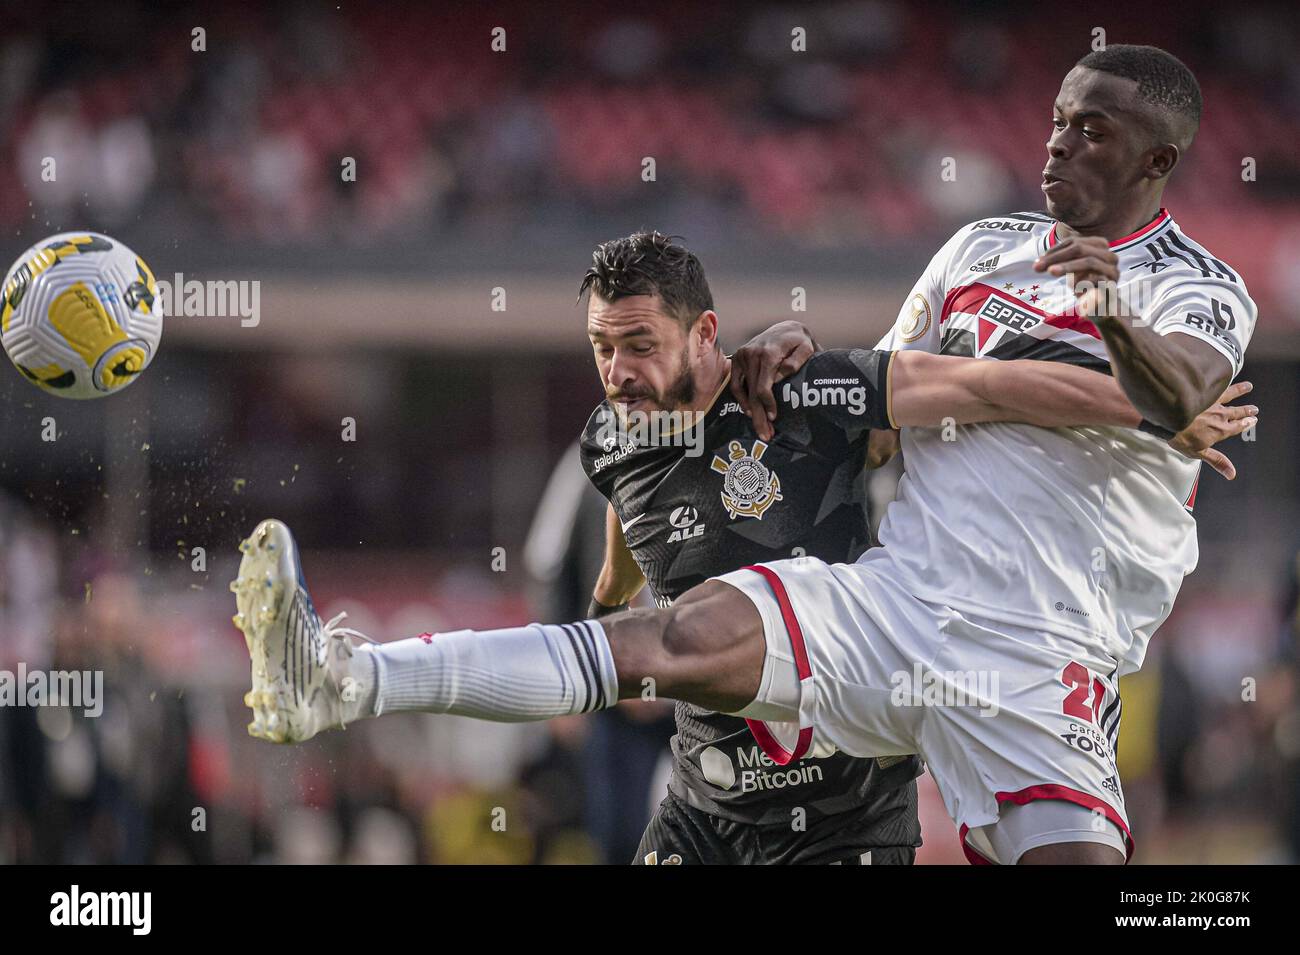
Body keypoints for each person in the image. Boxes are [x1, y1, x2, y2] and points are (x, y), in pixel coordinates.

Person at [233, 44, 1258, 864]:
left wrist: (1113, 317)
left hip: (1044, 654)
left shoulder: (1196, 283)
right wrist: (794, 348)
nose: (1058, 145)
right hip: (899, 602)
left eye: (1093, 130)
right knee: (668, 638)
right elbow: (894, 396)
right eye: (1056, 120)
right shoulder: (976, 250)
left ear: (1153, 160)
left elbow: (1180, 391)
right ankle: (344, 680)